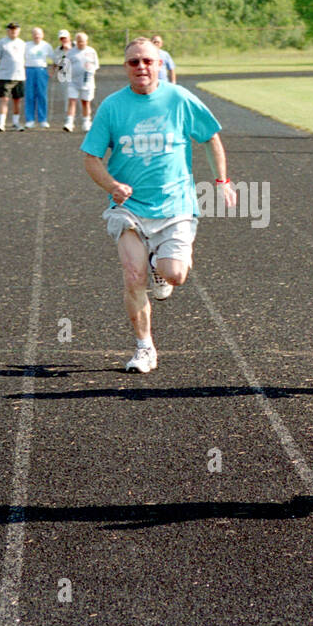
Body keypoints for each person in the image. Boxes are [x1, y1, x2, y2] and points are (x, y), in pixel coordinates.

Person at [82, 36, 236, 373]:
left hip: (175, 205)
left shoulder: (179, 99)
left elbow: (210, 136)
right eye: (134, 62)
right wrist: (111, 185)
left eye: (148, 61)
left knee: (175, 274)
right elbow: (91, 156)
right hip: (129, 207)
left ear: (160, 65)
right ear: (125, 68)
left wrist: (222, 180)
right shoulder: (112, 106)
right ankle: (144, 348)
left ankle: (160, 268)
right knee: (132, 275)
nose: (141, 67)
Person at [63, 31, 99, 132]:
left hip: (87, 82)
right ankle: (69, 123)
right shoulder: (71, 52)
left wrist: (89, 71)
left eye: (82, 42)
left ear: (86, 41)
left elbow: (95, 65)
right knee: (72, 101)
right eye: (78, 41)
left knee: (86, 102)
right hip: (73, 81)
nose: (80, 43)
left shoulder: (92, 51)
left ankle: (86, 122)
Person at [0, 21, 25, 131]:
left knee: (17, 100)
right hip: (5, 76)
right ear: (8, 31)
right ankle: (1, 123)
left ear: (18, 31)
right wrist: (0, 70)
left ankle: (16, 122)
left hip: (19, 76)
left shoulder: (22, 43)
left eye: (15, 29)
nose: (13, 32)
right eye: (11, 30)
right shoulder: (2, 42)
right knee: (4, 99)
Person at [23, 26, 55, 128]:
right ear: (32, 35)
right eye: (35, 34)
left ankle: (43, 119)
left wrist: (52, 71)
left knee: (42, 95)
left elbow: (55, 59)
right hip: (29, 70)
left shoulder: (46, 46)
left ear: (42, 35)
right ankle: (30, 119)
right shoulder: (26, 45)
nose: (37, 36)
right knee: (30, 95)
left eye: (39, 34)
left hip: (41, 70)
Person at [51, 29, 74, 128]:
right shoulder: (58, 49)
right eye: (61, 38)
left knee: (79, 98)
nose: (63, 40)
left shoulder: (76, 46)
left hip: (76, 74)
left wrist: (69, 50)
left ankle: (85, 119)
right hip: (64, 74)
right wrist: (52, 71)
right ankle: (69, 120)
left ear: (69, 37)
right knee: (67, 97)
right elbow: (56, 62)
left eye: (65, 38)